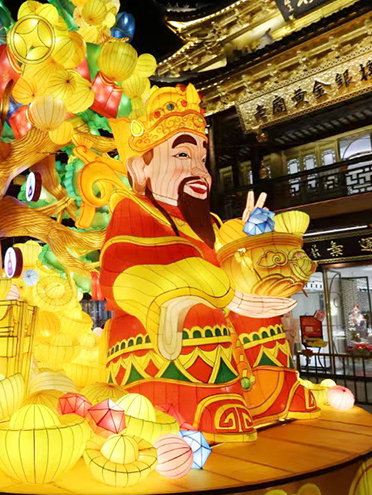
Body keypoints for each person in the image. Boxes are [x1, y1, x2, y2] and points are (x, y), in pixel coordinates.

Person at [102, 84, 318, 443]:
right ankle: (206, 400)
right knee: (199, 310)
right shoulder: (133, 210)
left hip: (224, 323)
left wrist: (251, 243)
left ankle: (276, 390)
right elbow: (118, 277)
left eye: (202, 160)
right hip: (157, 332)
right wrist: (212, 286)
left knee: (260, 310)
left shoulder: (211, 224)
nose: (200, 171)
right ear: (141, 168)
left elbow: (235, 273)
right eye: (182, 155)